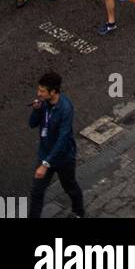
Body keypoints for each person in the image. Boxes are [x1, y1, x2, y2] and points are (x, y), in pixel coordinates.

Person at [28, 71, 84, 219]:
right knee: (36, 191)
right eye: (38, 89)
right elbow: (32, 124)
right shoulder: (44, 104)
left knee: (69, 186)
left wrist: (45, 164)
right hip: (45, 154)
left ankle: (79, 212)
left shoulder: (65, 109)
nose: (38, 93)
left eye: (42, 91)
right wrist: (36, 110)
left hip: (63, 157)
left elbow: (63, 138)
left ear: (53, 92)